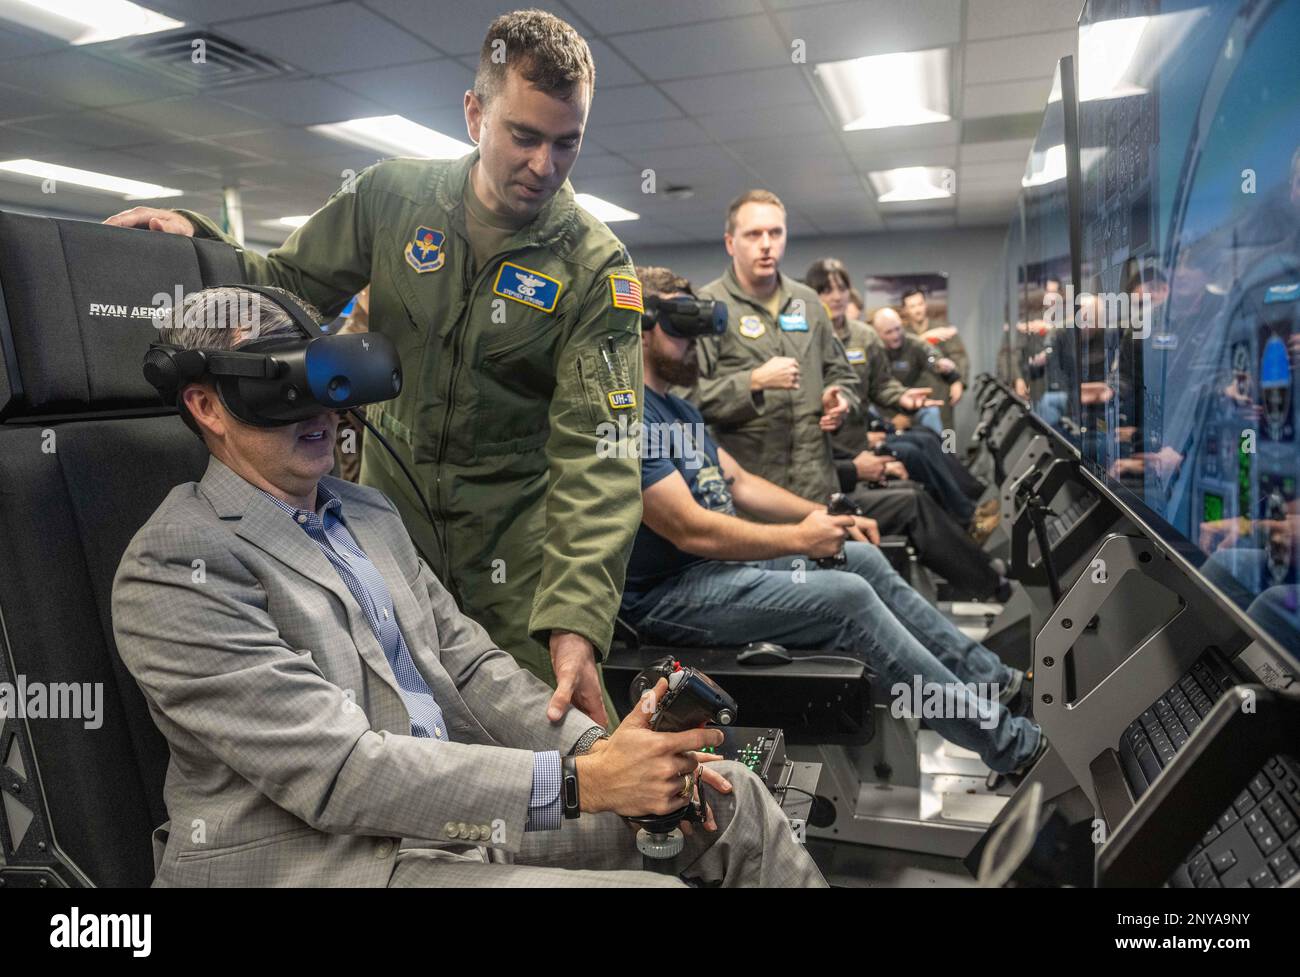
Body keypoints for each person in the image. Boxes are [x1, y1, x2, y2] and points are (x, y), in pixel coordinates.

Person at [112, 286, 824, 888]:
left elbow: (472, 667)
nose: (324, 408)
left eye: (328, 379)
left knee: (737, 803)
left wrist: (601, 752)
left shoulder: (366, 512)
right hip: (327, 859)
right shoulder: (176, 563)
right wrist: (581, 786)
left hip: (450, 821)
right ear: (207, 407)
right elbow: (338, 771)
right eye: (284, 388)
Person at [105, 9, 638, 728]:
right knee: (400, 727)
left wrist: (576, 618)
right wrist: (195, 241)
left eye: (567, 143)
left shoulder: (594, 266)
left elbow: (597, 456)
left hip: (519, 556)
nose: (545, 165)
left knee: (554, 743)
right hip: (392, 531)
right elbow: (285, 284)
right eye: (525, 135)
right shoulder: (392, 199)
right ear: (476, 114)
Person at [623, 269, 1045, 775]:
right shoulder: (632, 416)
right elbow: (689, 529)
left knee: (858, 556)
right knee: (848, 599)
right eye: (680, 326)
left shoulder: (678, 409)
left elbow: (739, 484)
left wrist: (822, 517)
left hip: (716, 572)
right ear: (642, 327)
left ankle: (996, 683)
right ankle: (1013, 747)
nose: (694, 343)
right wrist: (799, 538)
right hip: (672, 596)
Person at [805, 258, 995, 534]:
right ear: (813, 295)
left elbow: (881, 384)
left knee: (926, 440)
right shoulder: (804, 339)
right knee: (915, 453)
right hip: (828, 452)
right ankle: (966, 517)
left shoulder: (864, 336)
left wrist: (902, 397)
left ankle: (968, 509)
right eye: (826, 290)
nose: (835, 297)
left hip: (857, 442)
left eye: (841, 289)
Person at [901, 286, 969, 430]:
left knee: (947, 436)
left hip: (941, 391)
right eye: (912, 306)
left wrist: (959, 382)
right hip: (912, 394)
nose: (918, 309)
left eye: (920, 304)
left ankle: (949, 453)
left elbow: (959, 356)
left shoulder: (942, 329)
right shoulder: (902, 335)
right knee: (918, 439)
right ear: (906, 310)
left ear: (925, 304)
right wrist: (924, 338)